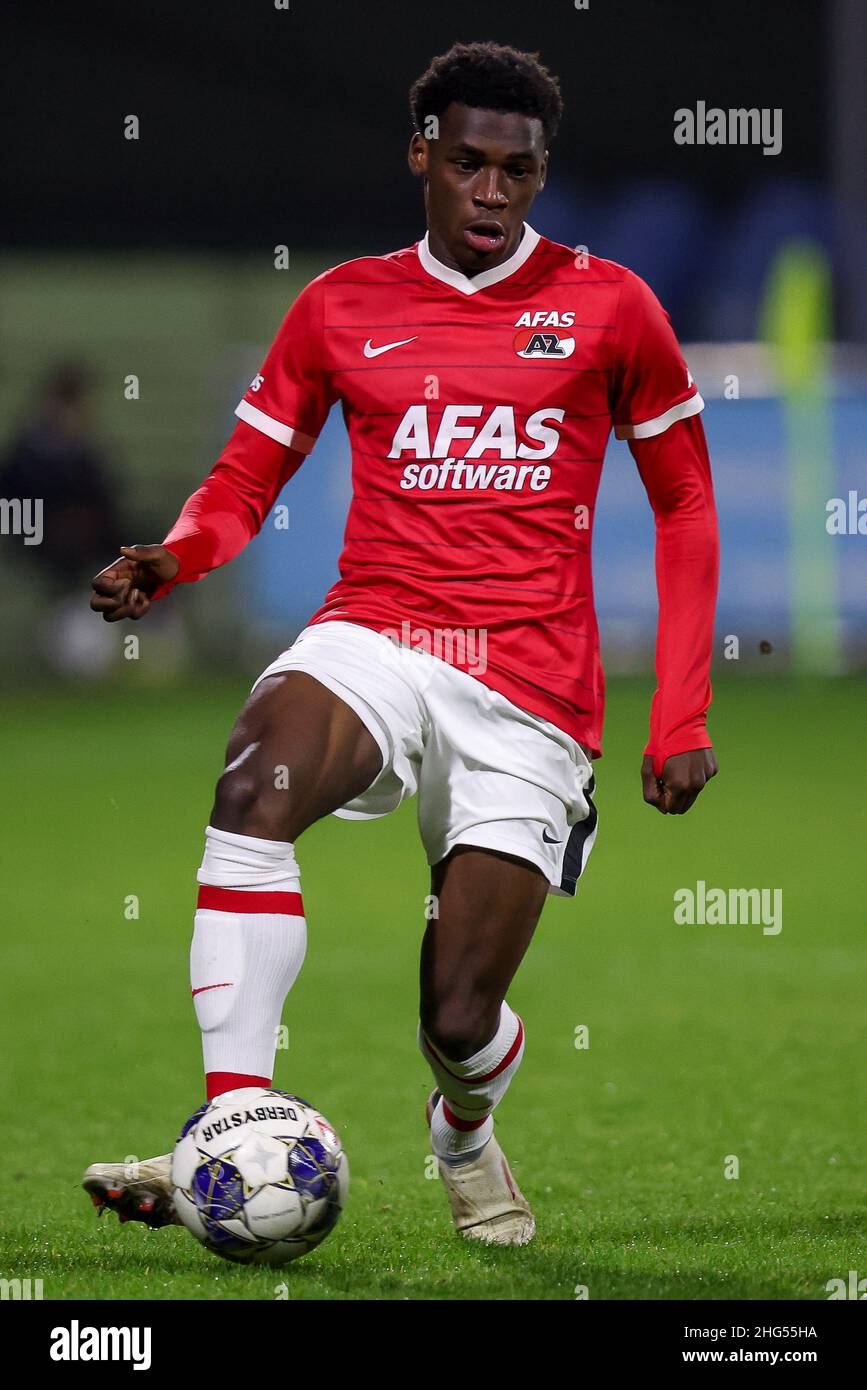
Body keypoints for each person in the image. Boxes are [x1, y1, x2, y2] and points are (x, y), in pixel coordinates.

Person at [83, 41, 718, 1247]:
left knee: (459, 1009)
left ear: (542, 174)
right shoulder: (341, 304)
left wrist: (678, 715)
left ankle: (465, 1130)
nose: (492, 194)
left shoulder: (611, 306)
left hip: (532, 685)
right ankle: (235, 1125)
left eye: (518, 173)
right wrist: (178, 553)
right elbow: (245, 475)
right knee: (256, 778)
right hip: (378, 630)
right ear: (421, 155)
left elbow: (685, 503)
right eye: (468, 164)